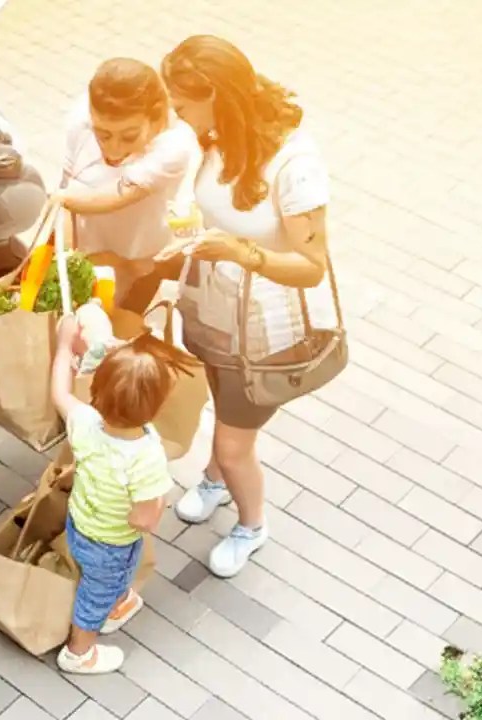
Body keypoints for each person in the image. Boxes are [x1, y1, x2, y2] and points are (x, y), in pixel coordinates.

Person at [146, 35, 337, 578]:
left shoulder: (296, 166)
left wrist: (241, 251)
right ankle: (213, 481)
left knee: (235, 444)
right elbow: (216, 211)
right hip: (210, 310)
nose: (178, 117)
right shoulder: (215, 137)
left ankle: (252, 524)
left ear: (217, 96)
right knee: (219, 406)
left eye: (183, 105)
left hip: (268, 335)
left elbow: (312, 265)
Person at [50, 315, 193, 674]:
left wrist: (65, 344)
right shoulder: (147, 457)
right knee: (96, 593)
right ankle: (79, 652)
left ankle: (117, 599)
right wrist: (157, 502)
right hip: (112, 542)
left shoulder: (82, 421)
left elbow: (59, 393)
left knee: (108, 575)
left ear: (96, 390)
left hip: (80, 523)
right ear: (157, 407)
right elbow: (142, 519)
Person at [51, 57, 202, 310]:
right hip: (87, 253)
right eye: (103, 135)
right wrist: (67, 261)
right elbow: (67, 186)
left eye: (129, 136)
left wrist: (59, 199)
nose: (113, 148)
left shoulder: (175, 145)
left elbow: (113, 198)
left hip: (140, 264)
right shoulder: (81, 119)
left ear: (157, 117)